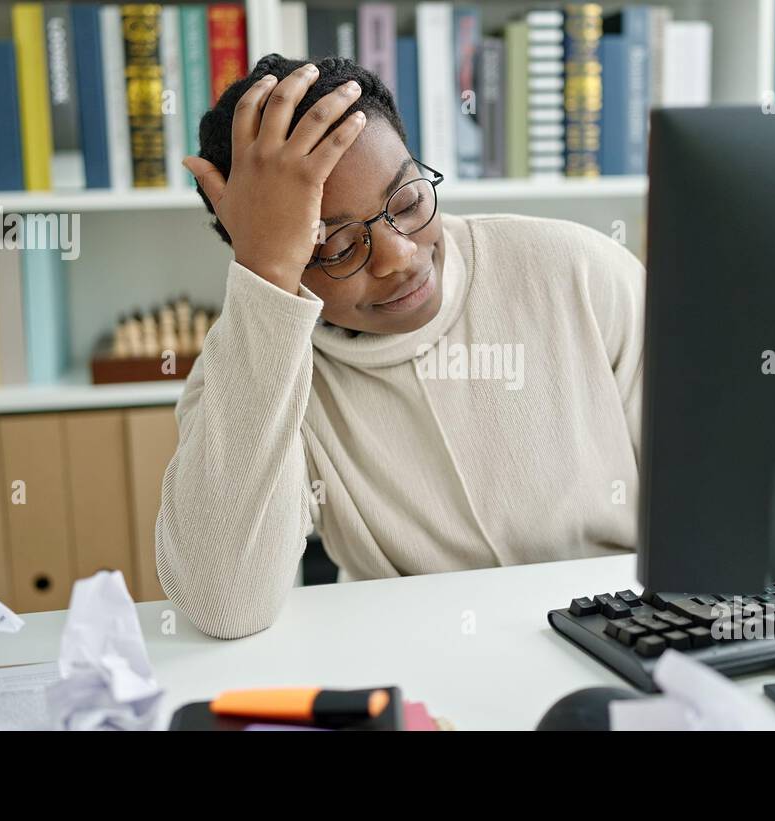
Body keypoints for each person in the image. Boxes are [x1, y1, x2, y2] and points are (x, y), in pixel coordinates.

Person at [159, 55, 645, 639]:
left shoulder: (580, 272)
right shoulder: (250, 365)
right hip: (415, 658)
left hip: (625, 634)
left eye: (409, 201)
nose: (399, 257)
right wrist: (264, 278)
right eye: (335, 247)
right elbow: (225, 605)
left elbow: (712, 507)